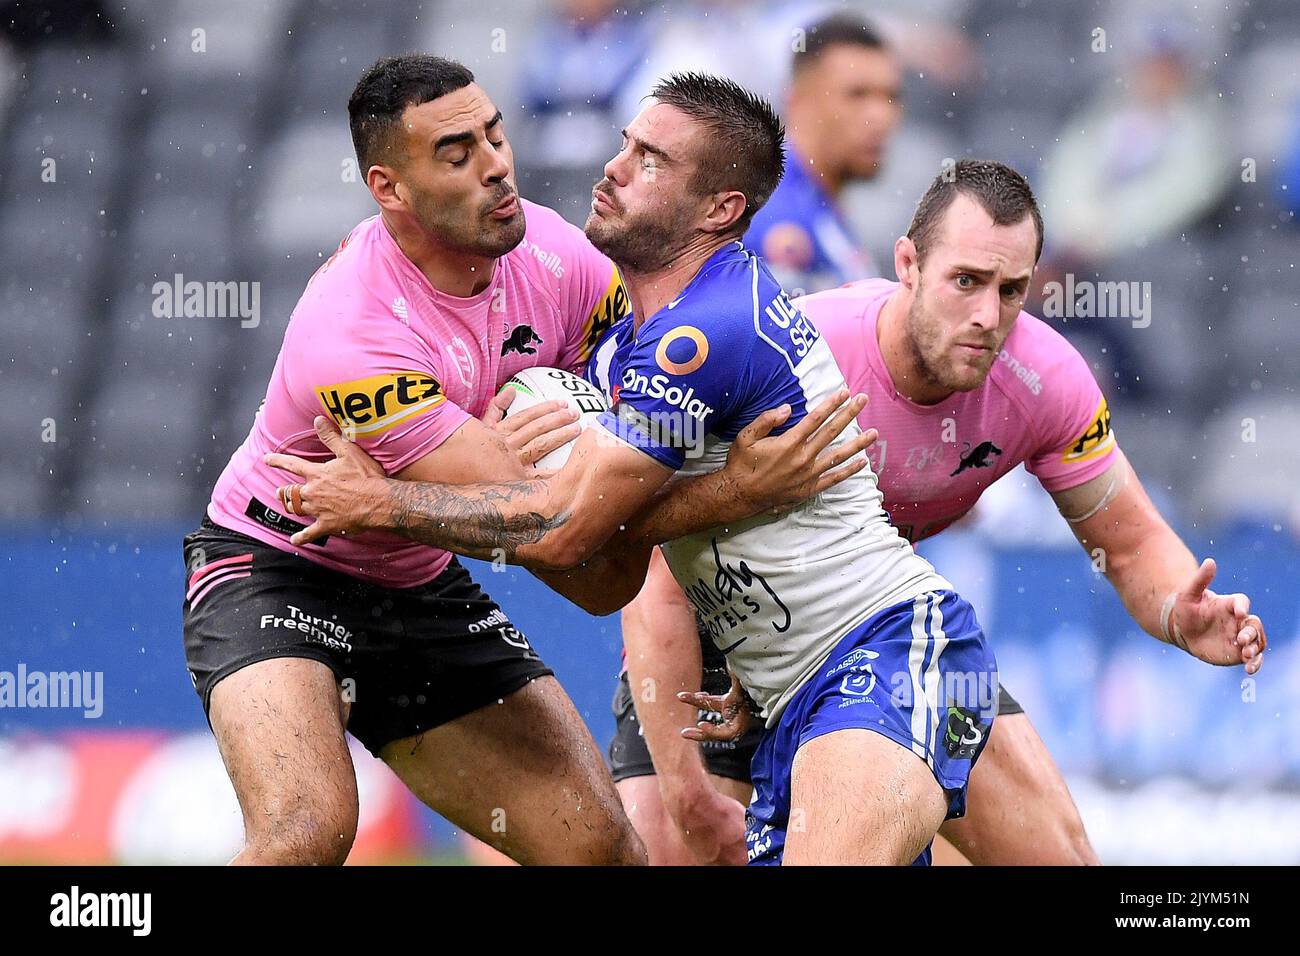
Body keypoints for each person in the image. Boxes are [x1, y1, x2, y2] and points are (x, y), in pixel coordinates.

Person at [268, 73, 1001, 866]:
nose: (614, 168)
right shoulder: (630, 335)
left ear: (720, 210)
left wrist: (385, 503)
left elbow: (563, 536)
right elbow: (604, 563)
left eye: (651, 161)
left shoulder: (704, 333)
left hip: (892, 647)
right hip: (795, 691)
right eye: (625, 144)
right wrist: (738, 499)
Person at [181, 54, 851, 866]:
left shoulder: (560, 260)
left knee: (602, 854)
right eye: (457, 154)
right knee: (307, 833)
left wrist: (646, 489)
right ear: (390, 188)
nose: (497, 165)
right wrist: (733, 491)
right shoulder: (354, 337)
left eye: (495, 135)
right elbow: (571, 549)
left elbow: (601, 550)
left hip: (418, 584)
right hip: (275, 567)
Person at [671, 160, 1269, 865]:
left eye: (1011, 290)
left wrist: (1179, 611)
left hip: (886, 647)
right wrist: (684, 772)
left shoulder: (1046, 380)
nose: (989, 316)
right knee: (661, 839)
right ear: (907, 264)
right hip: (728, 647)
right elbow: (661, 539)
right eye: (967, 281)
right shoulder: (797, 355)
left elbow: (1134, 548)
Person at [744, 12, 903, 293]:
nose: (881, 116)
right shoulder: (772, 216)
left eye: (891, 97)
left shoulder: (822, 207)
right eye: (857, 94)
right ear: (797, 102)